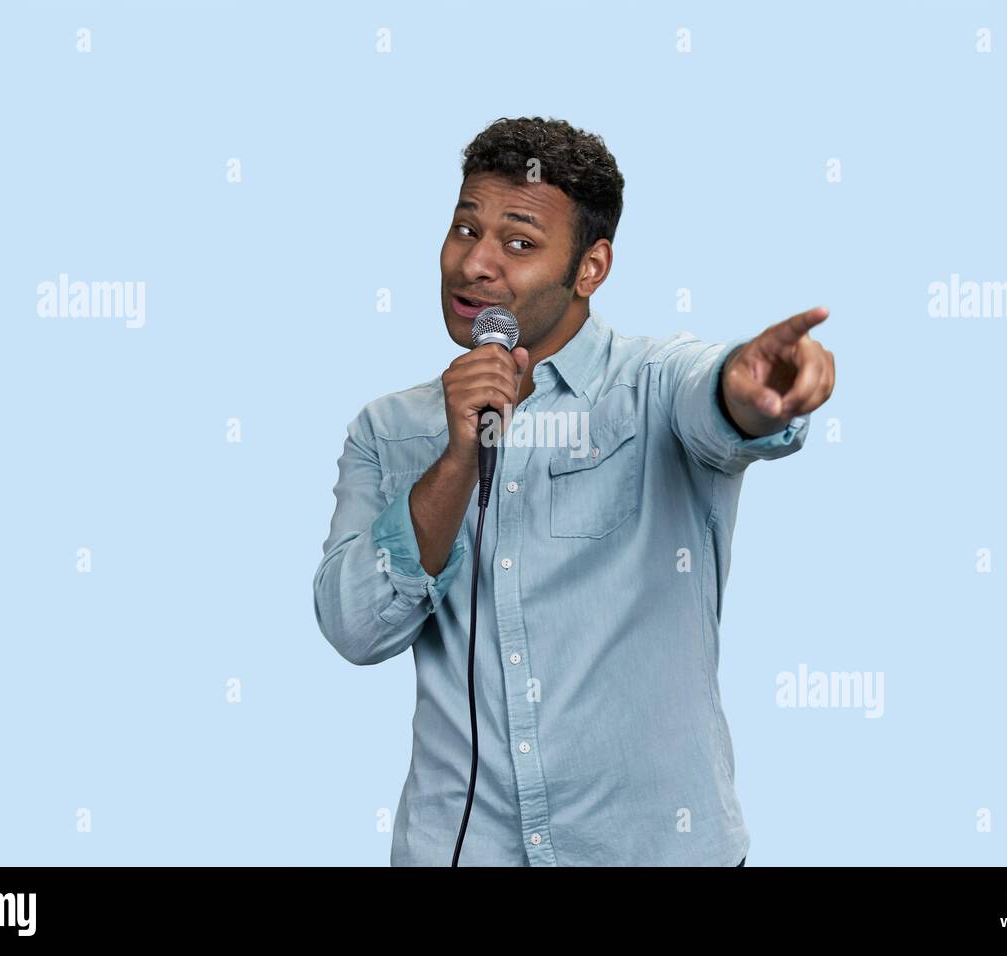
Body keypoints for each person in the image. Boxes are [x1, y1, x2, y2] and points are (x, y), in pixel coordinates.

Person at [313, 117, 836, 866]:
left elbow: (722, 399)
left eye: (519, 242)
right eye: (465, 229)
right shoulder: (390, 430)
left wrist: (758, 388)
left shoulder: (653, 384)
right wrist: (458, 457)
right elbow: (354, 627)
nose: (477, 266)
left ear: (591, 268)